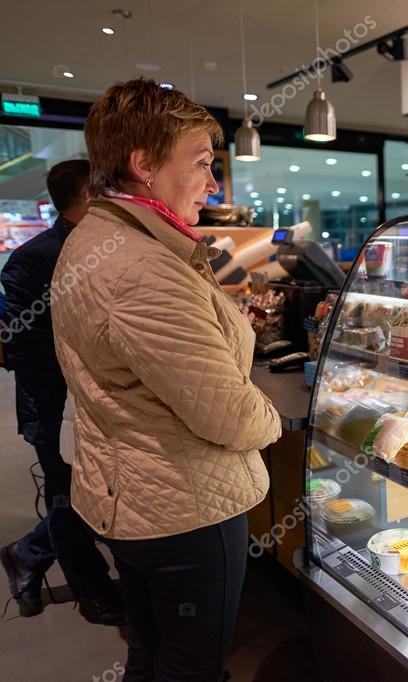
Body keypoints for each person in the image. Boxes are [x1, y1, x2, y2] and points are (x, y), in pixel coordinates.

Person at [51, 79, 281, 681]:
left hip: (131, 494)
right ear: (144, 164)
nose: (213, 184)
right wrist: (272, 418)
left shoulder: (97, 241)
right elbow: (225, 413)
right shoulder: (141, 268)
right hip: (186, 508)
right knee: (192, 665)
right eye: (202, 164)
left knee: (151, 651)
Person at [1, 159, 124, 625]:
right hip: (54, 406)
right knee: (70, 499)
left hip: (96, 402)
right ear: (90, 197)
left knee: (84, 496)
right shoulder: (34, 257)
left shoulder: (110, 247)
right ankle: (93, 595)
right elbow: (23, 347)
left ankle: (27, 554)